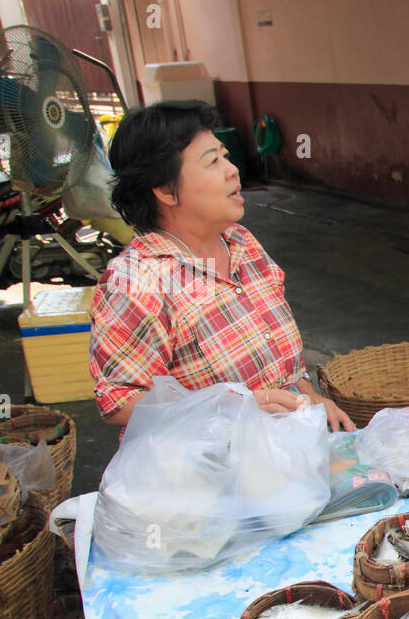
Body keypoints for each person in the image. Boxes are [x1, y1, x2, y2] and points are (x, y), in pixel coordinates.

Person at [89, 100, 354, 431]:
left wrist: (308, 397)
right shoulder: (137, 280)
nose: (232, 170)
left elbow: (283, 364)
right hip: (206, 471)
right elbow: (118, 401)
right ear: (166, 190)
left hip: (280, 456)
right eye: (212, 161)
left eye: (225, 156)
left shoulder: (241, 242)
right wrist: (227, 407)